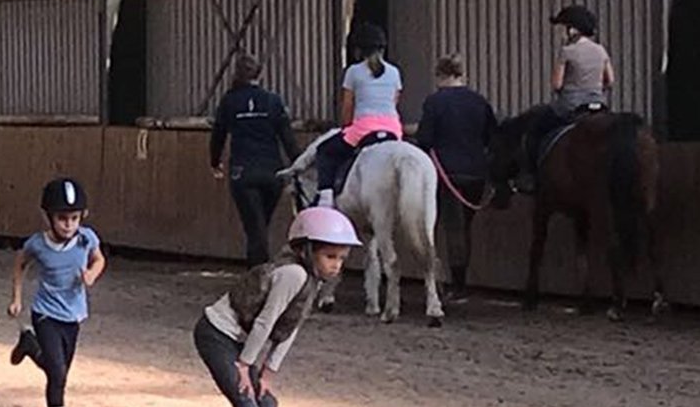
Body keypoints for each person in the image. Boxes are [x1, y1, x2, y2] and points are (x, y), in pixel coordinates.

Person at [192, 206, 360, 407]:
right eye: (330, 256)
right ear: (307, 250)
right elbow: (265, 323)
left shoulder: (313, 280)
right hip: (218, 335)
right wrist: (244, 366)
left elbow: (290, 327)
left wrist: (268, 372)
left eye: (340, 259)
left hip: (242, 344)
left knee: (267, 405)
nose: (336, 265)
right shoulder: (293, 274)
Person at [7, 177, 106, 407]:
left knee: (59, 369)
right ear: (48, 217)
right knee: (58, 373)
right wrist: (17, 298)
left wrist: (91, 275)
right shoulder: (38, 244)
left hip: (73, 316)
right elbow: (20, 264)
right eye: (62, 218)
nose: (69, 225)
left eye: (74, 218)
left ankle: (29, 346)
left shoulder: (87, 239)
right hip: (46, 313)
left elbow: (99, 259)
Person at [413, 53, 497, 299]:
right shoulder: (479, 101)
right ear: (462, 75)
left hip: (445, 172)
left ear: (440, 75)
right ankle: (460, 280)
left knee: (450, 227)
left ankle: (453, 282)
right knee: (465, 227)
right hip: (475, 173)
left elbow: (425, 139)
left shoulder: (435, 102)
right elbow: (491, 137)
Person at [209, 53, 300, 267]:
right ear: (260, 74)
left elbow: (218, 135)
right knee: (260, 226)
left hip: (243, 171)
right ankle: (259, 271)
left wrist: (215, 161)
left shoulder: (229, 101)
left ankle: (258, 275)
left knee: (255, 228)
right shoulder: (273, 101)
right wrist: (298, 164)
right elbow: (287, 138)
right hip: (272, 172)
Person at [519, 4, 616, 191]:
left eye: (562, 28)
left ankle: (530, 175)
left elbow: (556, 84)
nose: (560, 34)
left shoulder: (567, 52)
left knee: (535, 130)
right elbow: (610, 80)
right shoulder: (600, 50)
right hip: (598, 105)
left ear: (573, 29)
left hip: (570, 106)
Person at [313, 23, 404, 208]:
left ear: (359, 50)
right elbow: (394, 101)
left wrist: (346, 127)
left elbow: (347, 106)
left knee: (324, 151)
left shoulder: (353, 72)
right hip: (393, 130)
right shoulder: (394, 72)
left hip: (363, 130)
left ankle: (326, 197)